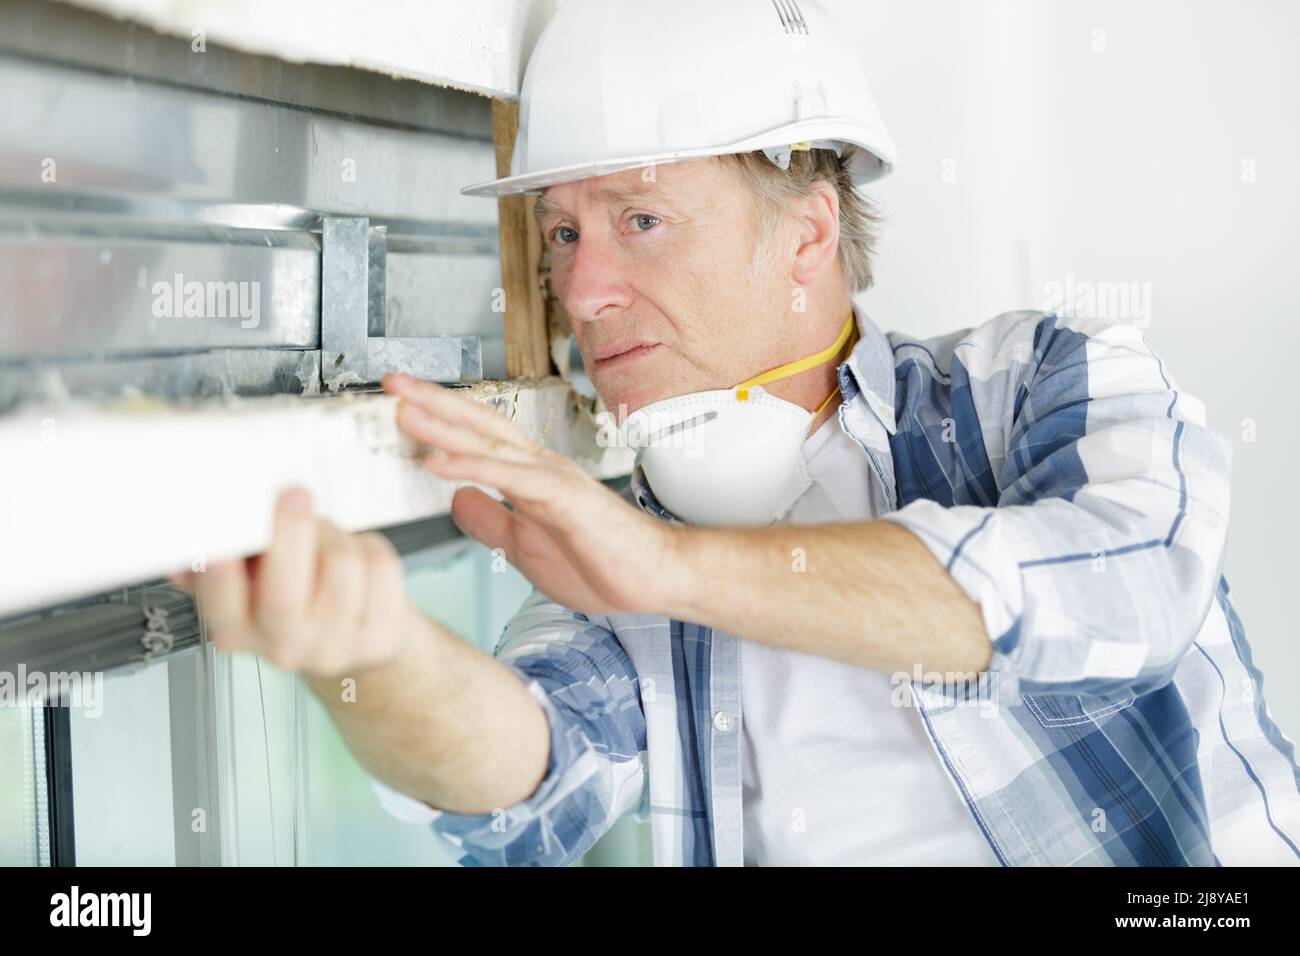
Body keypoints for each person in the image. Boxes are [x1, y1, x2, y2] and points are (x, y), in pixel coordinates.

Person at [175, 0, 1300, 865]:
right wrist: (371, 656)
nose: (586, 289)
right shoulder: (623, 538)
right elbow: (526, 780)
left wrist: (669, 567)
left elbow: (1130, 589)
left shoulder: (1035, 383)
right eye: (561, 235)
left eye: (641, 219)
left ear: (808, 234)